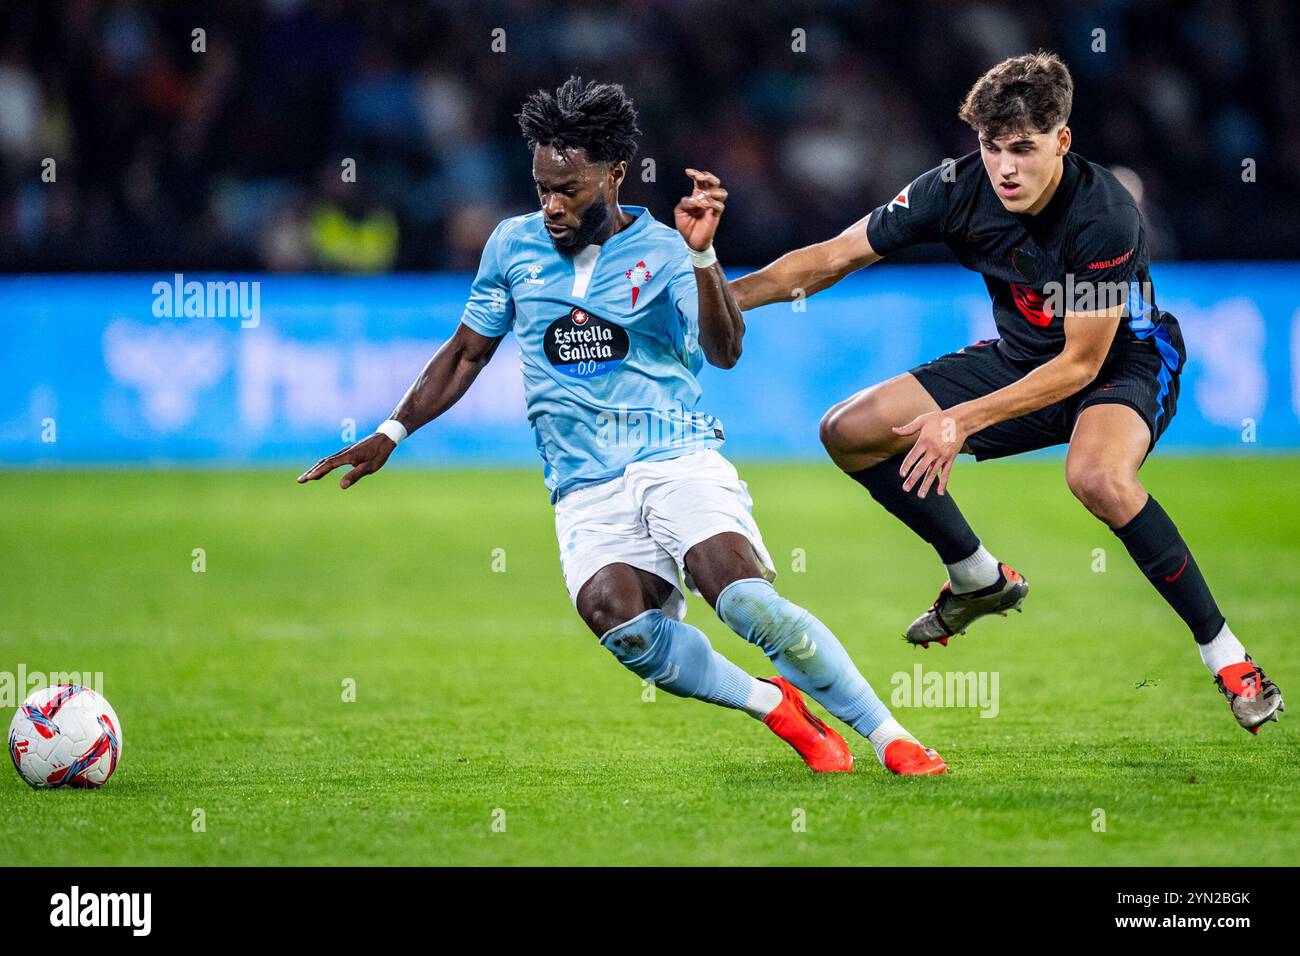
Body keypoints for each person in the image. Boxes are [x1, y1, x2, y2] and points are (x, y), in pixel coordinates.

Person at [299, 77, 947, 774]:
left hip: (676, 456)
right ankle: (774, 706)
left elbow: (726, 351)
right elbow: (466, 351)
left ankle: (891, 737)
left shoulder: (667, 250)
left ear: (612, 176)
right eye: (541, 187)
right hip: (581, 482)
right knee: (623, 626)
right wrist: (391, 432)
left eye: (568, 190)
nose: (550, 205)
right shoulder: (511, 246)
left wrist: (703, 257)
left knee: (746, 602)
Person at [729, 52, 1283, 734]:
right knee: (848, 430)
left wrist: (958, 420)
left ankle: (1228, 657)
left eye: (1023, 149)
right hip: (1019, 360)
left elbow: (1081, 365)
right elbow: (834, 255)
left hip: (1123, 364)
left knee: (1098, 477)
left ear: (1062, 141)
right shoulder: (953, 188)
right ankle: (976, 577)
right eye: (992, 149)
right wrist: (722, 302)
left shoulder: (1104, 213)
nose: (1006, 168)